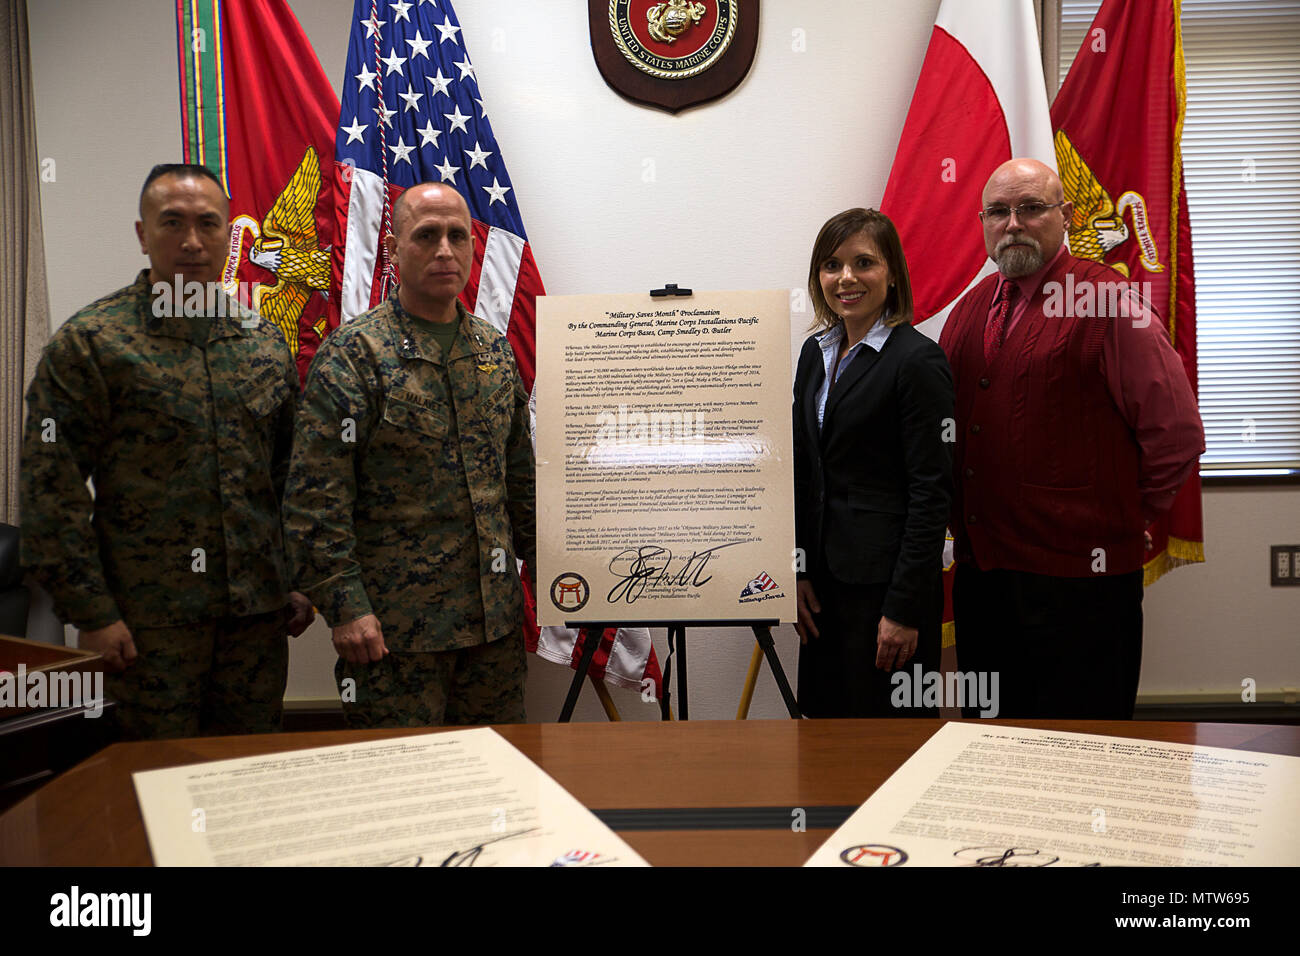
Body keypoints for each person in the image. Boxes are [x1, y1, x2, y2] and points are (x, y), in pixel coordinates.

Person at [20, 163, 313, 740]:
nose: (191, 241)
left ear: (231, 235)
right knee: (148, 788)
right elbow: (49, 490)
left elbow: (290, 478)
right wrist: (93, 614)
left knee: (250, 785)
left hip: (254, 624)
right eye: (171, 223)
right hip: (146, 625)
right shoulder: (93, 343)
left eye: (208, 223)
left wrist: (301, 578)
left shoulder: (263, 341)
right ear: (142, 233)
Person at [939, 157, 1204, 719]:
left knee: (1084, 762)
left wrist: (1118, 512)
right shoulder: (969, 309)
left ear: (1067, 215)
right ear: (982, 222)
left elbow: (1176, 434)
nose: (1013, 223)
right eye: (998, 211)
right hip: (986, 585)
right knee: (992, 756)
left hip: (1084, 589)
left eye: (1031, 208)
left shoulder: (1108, 302)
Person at [282, 181, 536, 728]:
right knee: (400, 790)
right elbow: (315, 499)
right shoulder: (355, 356)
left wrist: (552, 574)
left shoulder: (492, 352)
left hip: (493, 630)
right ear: (394, 251)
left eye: (457, 236)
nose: (445, 250)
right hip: (394, 636)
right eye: (426, 235)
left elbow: (520, 480)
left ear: (473, 246)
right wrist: (345, 607)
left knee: (499, 783)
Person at [793, 208, 954, 717]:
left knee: (886, 746)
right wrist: (795, 572)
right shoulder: (814, 353)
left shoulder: (917, 361)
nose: (846, 278)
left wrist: (903, 608)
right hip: (821, 589)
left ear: (891, 273)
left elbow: (932, 493)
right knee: (823, 737)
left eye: (864, 262)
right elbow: (804, 473)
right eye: (832, 264)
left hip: (885, 592)